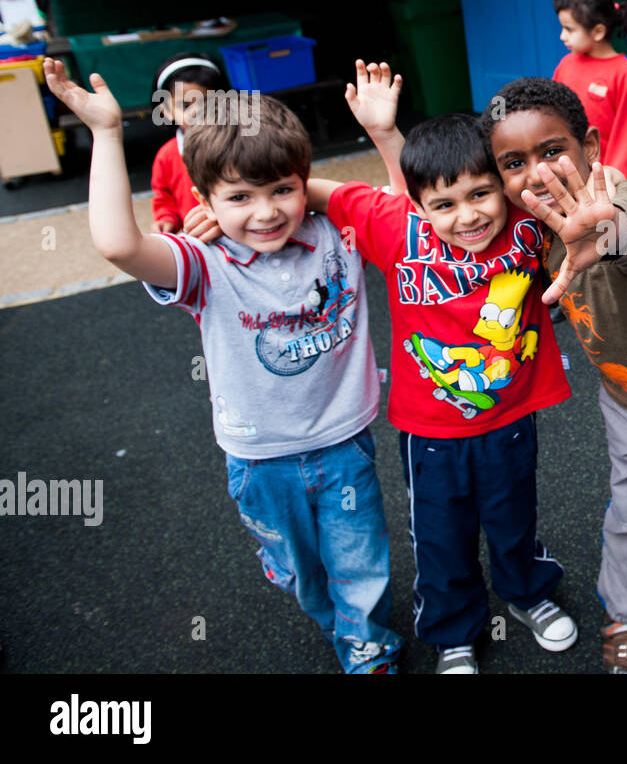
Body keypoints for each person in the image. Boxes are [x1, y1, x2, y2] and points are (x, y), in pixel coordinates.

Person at [45, 58, 403, 673]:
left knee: (360, 563)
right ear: (205, 199)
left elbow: (407, 218)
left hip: (344, 444)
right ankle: (314, 597)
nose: (264, 212)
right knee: (302, 574)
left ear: (305, 181)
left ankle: (368, 650)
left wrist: (382, 137)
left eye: (281, 189)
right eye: (238, 197)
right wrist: (105, 134)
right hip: (261, 458)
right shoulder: (204, 263)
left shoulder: (337, 232)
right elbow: (118, 245)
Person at [462, 77, 627, 674]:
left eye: (553, 151)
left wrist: (606, 225)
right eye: (515, 163)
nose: (536, 173)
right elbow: (444, 203)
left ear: (590, 145)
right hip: (624, 401)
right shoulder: (532, 231)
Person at [311, 61, 575, 675]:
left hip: (509, 416)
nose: (468, 216)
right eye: (445, 204)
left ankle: (528, 590)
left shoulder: (528, 225)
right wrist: (235, 205)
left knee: (513, 515)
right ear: (421, 206)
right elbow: (323, 191)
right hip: (430, 432)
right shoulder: (396, 230)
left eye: (481, 193)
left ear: (501, 188)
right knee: (441, 533)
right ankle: (454, 628)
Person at [551, 0, 627, 180]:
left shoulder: (624, 73)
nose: (562, 36)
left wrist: (611, 178)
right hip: (563, 170)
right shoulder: (565, 64)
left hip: (600, 177)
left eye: (569, 29)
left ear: (598, 32)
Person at [148, 52, 229, 233]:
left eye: (207, 103)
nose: (197, 112)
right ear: (165, 110)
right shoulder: (167, 155)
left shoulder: (237, 145)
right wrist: (166, 218)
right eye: (185, 105)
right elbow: (164, 197)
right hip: (196, 238)